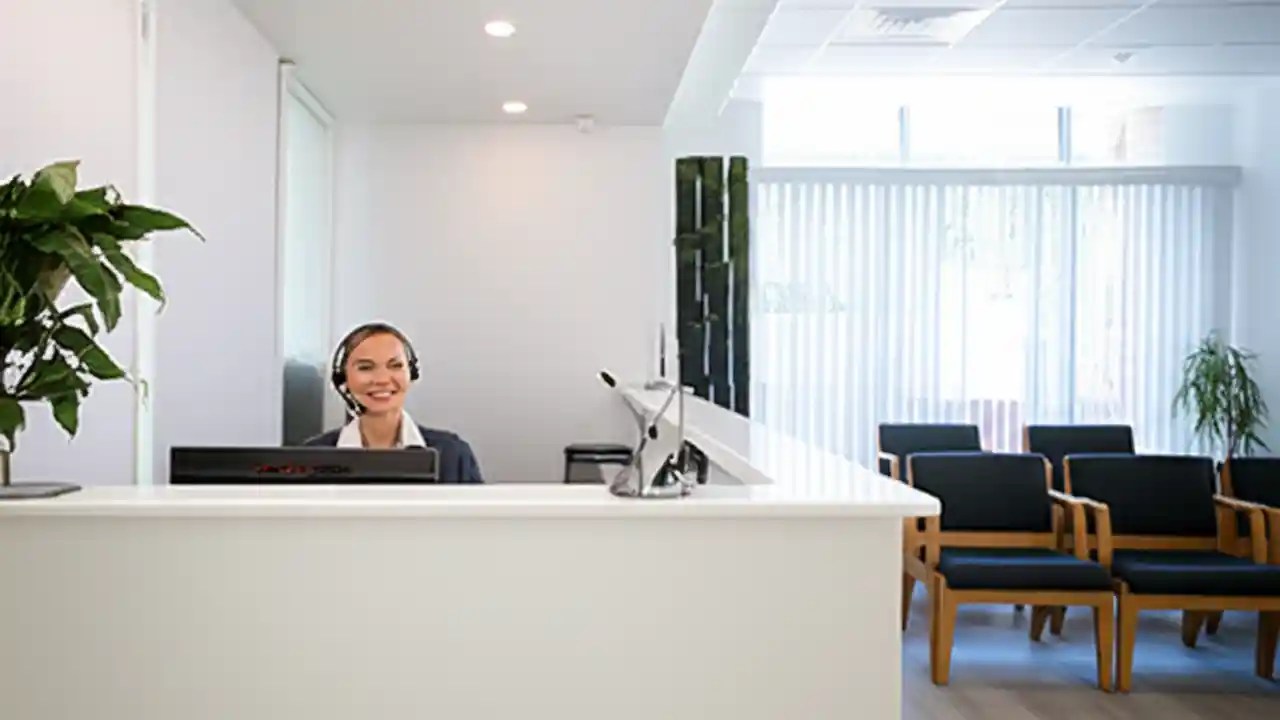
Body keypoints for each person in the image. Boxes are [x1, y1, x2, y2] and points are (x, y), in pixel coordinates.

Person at [303, 322, 484, 483]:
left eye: (395, 365)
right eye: (365, 367)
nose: (382, 379)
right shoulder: (312, 457)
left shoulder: (453, 454)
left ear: (411, 374)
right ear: (344, 379)